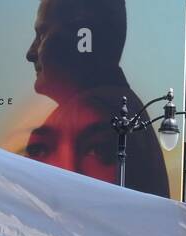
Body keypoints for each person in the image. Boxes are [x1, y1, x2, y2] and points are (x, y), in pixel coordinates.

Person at [22, 0, 169, 198]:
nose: (31, 53)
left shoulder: (86, 111)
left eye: (42, 34)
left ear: (82, 36)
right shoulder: (126, 106)